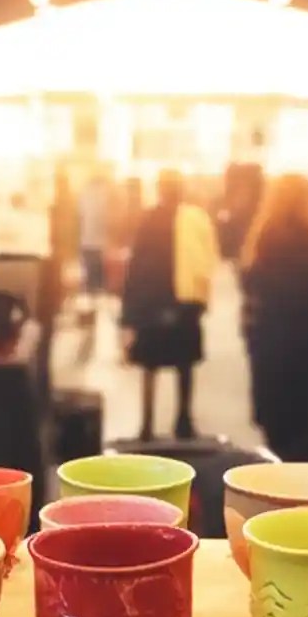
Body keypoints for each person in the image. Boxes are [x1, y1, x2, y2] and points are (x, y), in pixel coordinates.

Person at [239, 174, 308, 461]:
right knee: (306, 436)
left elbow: (251, 304)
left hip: (270, 353)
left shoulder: (258, 246)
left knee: (277, 439)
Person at [121, 169, 219, 441]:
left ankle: (147, 424)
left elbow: (136, 265)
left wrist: (130, 312)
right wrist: (202, 298)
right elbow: (209, 257)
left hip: (154, 301)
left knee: (150, 366)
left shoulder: (149, 220)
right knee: (184, 364)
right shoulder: (196, 218)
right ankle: (183, 420)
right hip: (185, 302)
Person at [78, 173, 110, 299]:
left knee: (90, 277)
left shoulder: (84, 194)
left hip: (87, 241)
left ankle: (90, 300)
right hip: (101, 243)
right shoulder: (105, 194)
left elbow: (80, 217)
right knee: (99, 280)